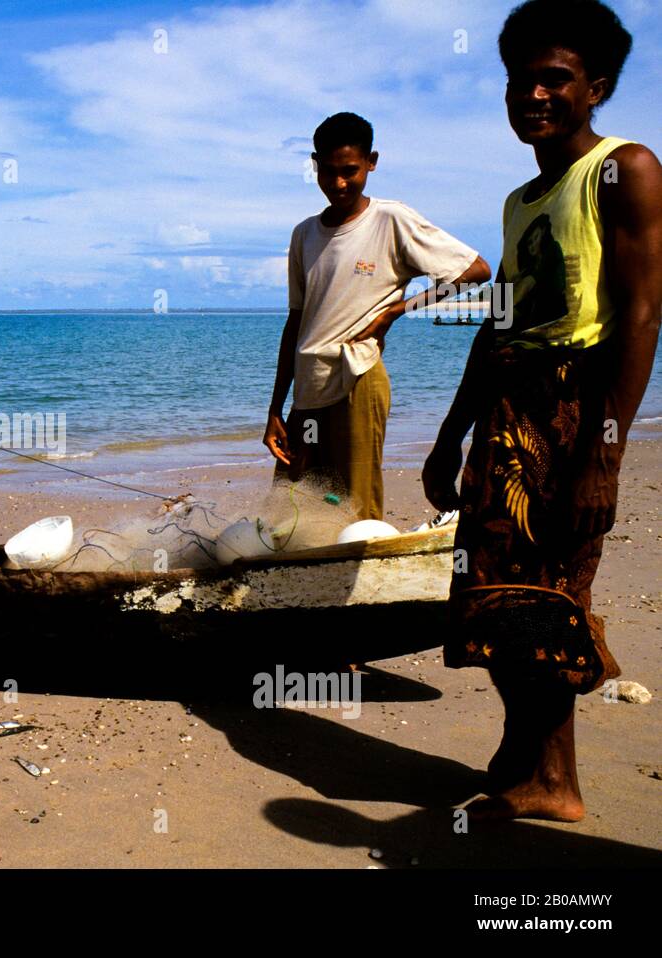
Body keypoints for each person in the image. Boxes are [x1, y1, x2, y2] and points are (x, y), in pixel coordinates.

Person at [423, 0, 661, 822]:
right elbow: (498, 330)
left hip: (573, 410)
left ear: (594, 87)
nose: (534, 94)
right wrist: (450, 436)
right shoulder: (522, 200)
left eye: (554, 79)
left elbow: (638, 314)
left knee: (555, 599)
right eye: (520, 80)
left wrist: (606, 447)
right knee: (497, 598)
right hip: (508, 414)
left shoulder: (623, 169)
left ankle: (551, 780)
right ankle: (530, 762)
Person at [264, 112, 491, 519]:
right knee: (291, 505)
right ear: (315, 165)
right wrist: (275, 410)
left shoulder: (391, 219)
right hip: (307, 389)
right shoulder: (304, 234)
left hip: (358, 378)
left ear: (372, 161)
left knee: (356, 507)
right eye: (328, 172)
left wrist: (396, 312)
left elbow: (474, 271)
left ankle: (361, 577)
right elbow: (295, 322)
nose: (338, 183)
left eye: (350, 171)